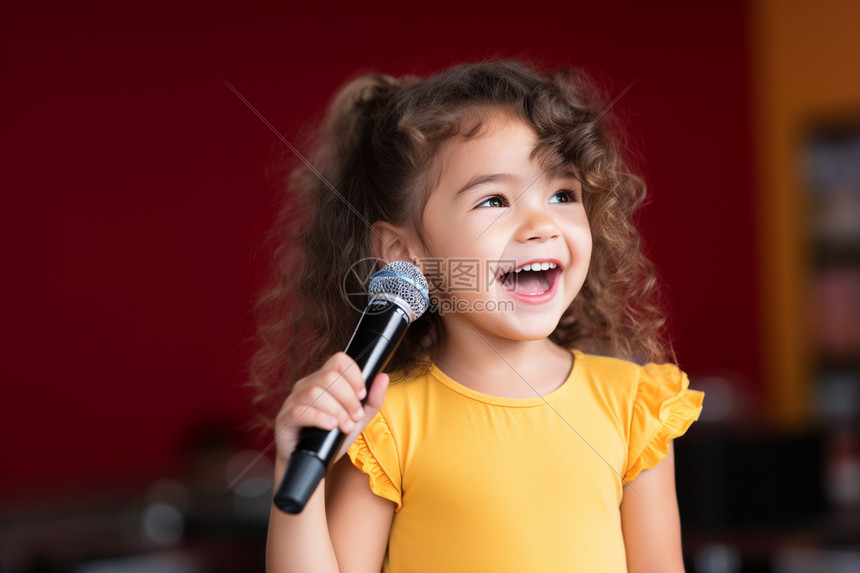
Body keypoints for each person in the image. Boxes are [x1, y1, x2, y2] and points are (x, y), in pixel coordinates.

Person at [251, 58, 705, 572]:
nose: (541, 224)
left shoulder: (633, 408)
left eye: (563, 194)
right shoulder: (383, 421)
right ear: (403, 252)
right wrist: (295, 469)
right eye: (494, 199)